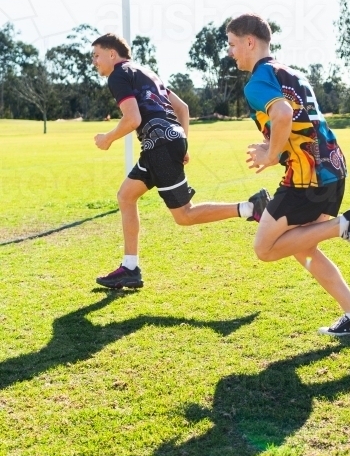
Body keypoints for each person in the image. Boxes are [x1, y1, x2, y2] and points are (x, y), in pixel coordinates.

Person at [226, 13, 350, 337]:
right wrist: (272, 144)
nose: (231, 52)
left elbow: (283, 114)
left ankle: (343, 226)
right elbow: (300, 120)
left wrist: (271, 154)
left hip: (307, 178)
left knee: (265, 249)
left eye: (233, 44)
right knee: (303, 248)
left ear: (249, 42)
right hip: (334, 169)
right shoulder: (291, 73)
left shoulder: (257, 81)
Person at [91, 33, 269, 290]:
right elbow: (182, 107)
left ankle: (251, 208)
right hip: (164, 142)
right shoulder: (147, 73)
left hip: (158, 145)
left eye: (97, 56)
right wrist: (182, 142)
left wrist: (108, 138)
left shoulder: (119, 74)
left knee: (185, 215)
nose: (94, 62)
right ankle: (130, 268)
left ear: (112, 54)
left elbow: (133, 119)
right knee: (126, 195)